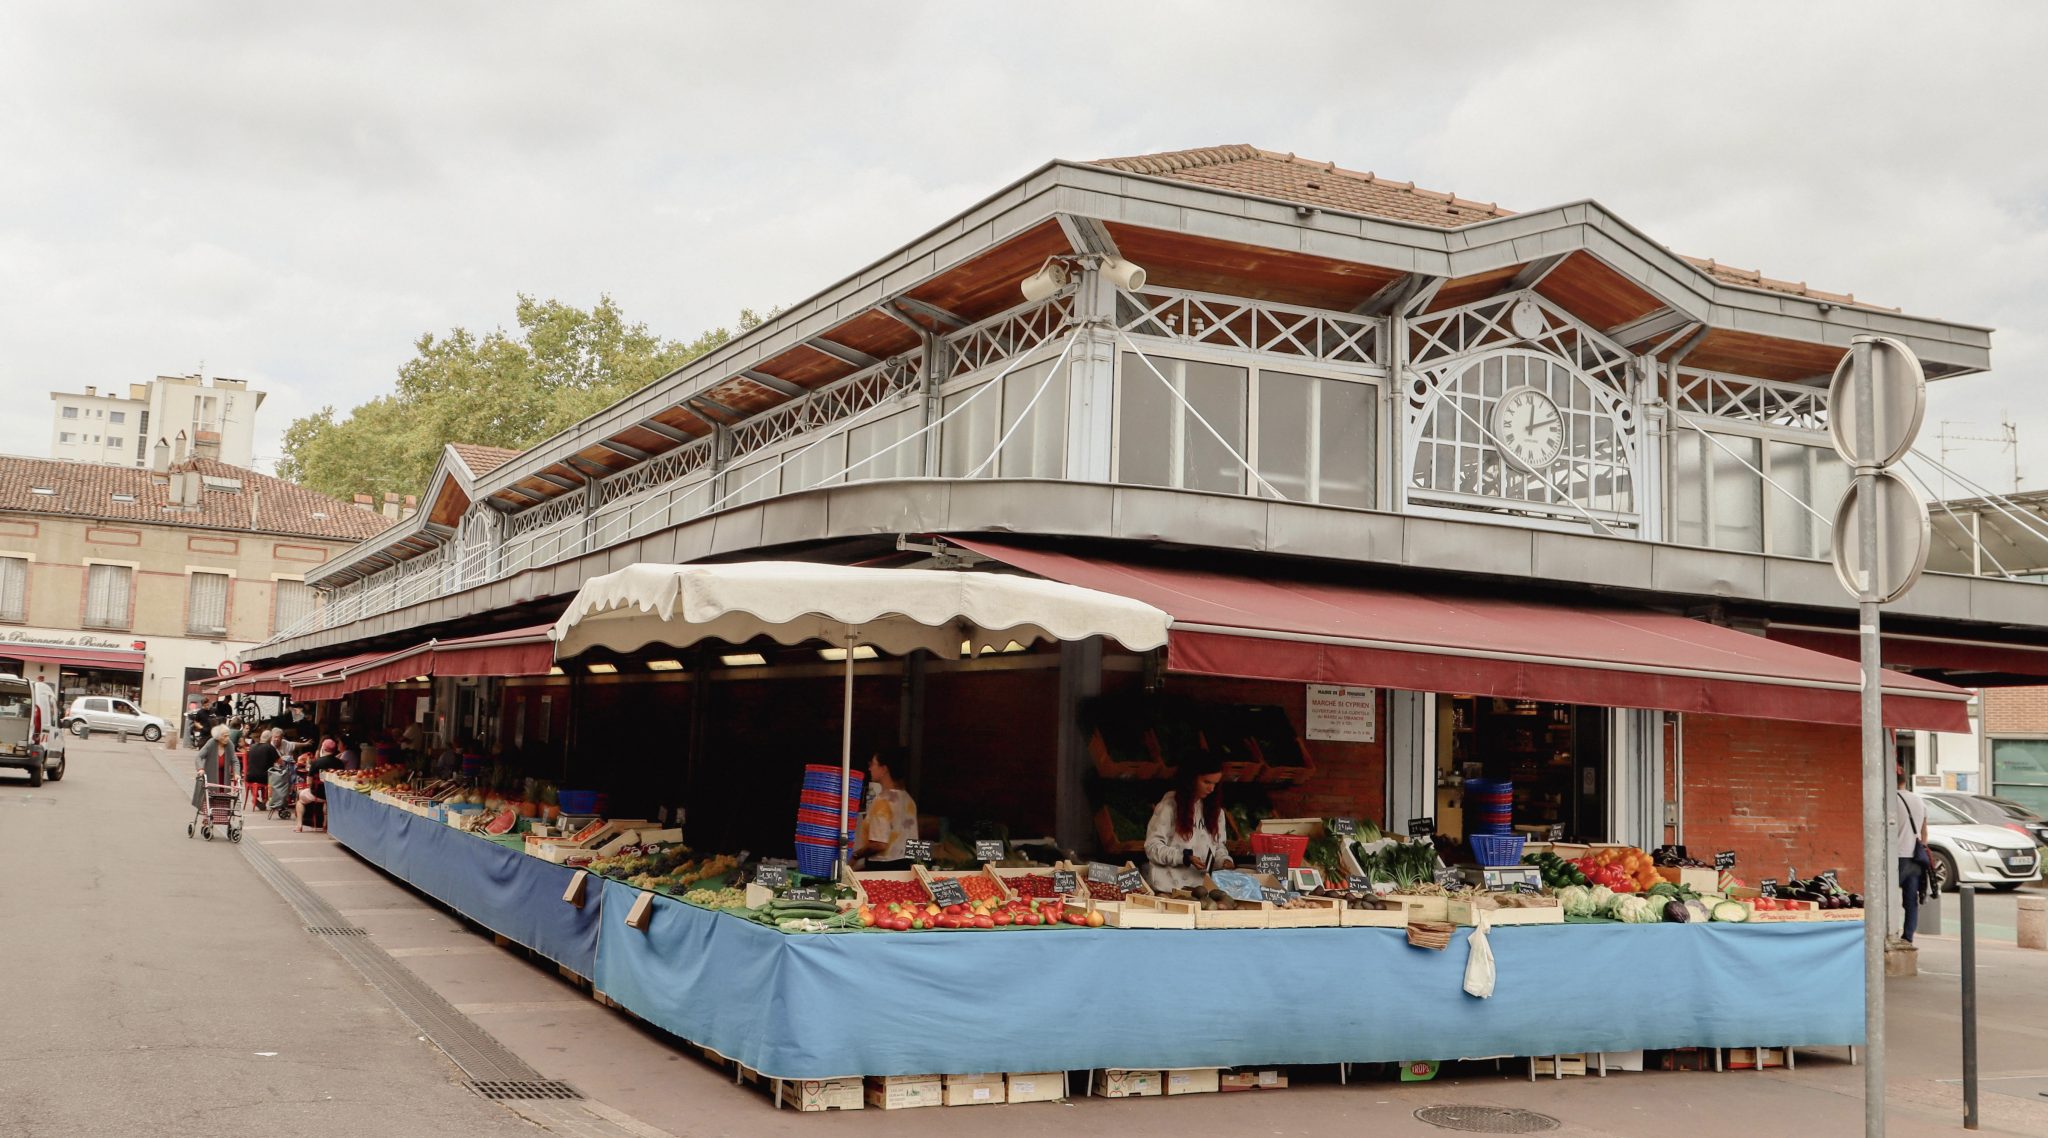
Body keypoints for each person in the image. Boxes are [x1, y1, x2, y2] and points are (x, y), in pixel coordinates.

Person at [1143, 753, 1234, 892]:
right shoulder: (1169, 807)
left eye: (1215, 784)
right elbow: (1152, 847)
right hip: (1168, 888)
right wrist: (1183, 858)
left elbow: (1218, 846)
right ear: (1191, 779)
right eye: (1207, 782)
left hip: (1201, 890)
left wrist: (1224, 860)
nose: (1211, 789)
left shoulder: (1216, 812)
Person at [851, 747, 918, 870]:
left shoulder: (882, 801)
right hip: (906, 866)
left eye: (873, 764)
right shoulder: (908, 799)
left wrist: (856, 856)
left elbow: (879, 844)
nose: (869, 768)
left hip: (882, 868)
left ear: (884, 769)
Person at [1893, 763, 1931, 943]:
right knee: (1910, 900)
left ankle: (1889, 932)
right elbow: (1924, 832)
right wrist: (1922, 847)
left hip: (1897, 857)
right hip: (1916, 857)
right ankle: (1908, 937)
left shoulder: (1890, 800)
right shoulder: (1918, 800)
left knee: (1889, 898)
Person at [297, 738, 345, 832]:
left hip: (317, 794)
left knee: (300, 798)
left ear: (323, 748)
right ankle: (325, 825)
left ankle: (299, 825)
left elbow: (309, 782)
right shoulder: (340, 763)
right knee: (326, 801)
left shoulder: (317, 762)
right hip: (333, 795)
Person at [244, 728, 280, 810]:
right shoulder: (270, 747)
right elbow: (280, 762)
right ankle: (265, 801)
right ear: (270, 739)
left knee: (255, 777)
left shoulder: (252, 747)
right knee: (276, 780)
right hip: (264, 777)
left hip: (250, 776)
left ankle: (255, 798)